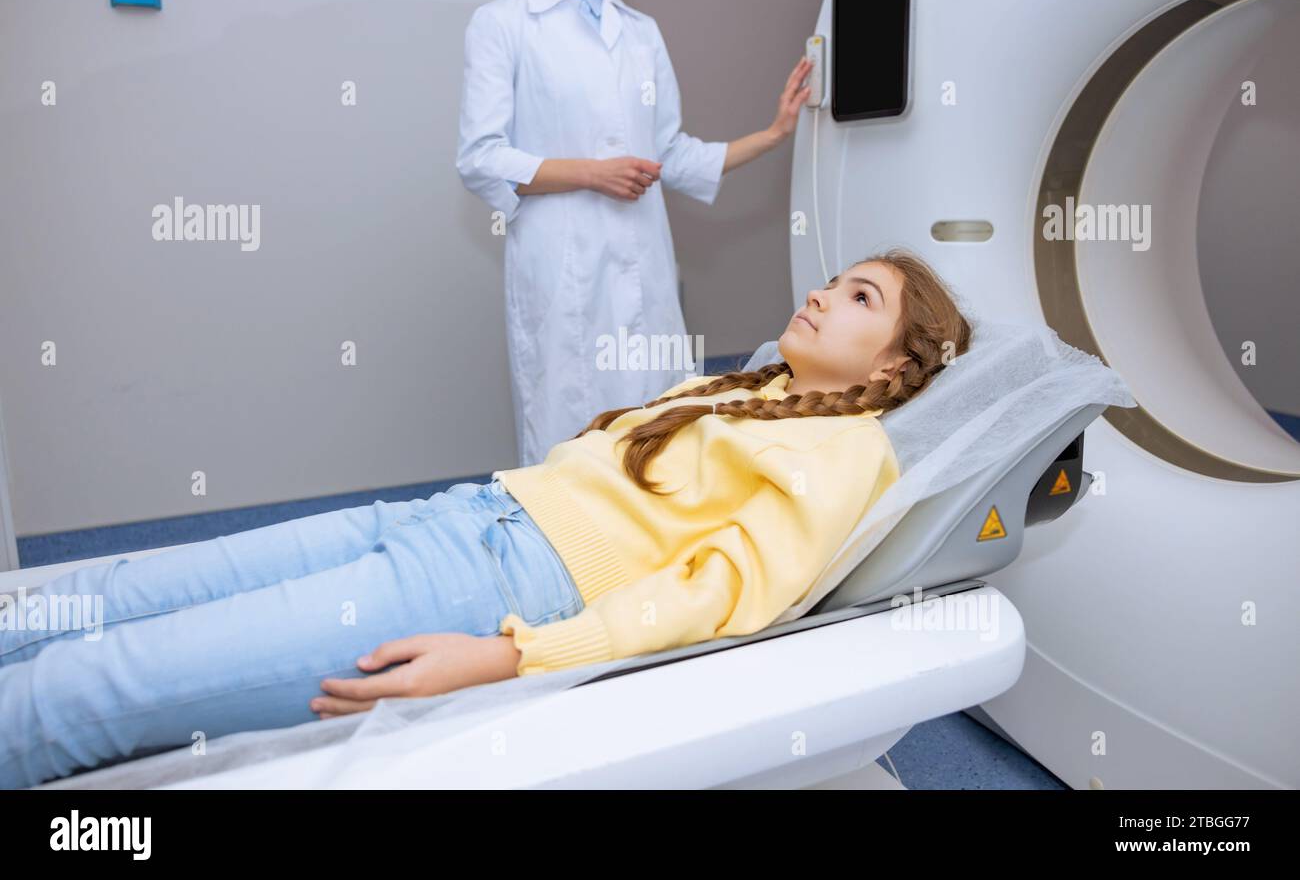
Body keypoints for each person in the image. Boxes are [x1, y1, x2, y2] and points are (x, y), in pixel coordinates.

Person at [0, 250, 971, 788]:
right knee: (104, 593)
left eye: (858, 295)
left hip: (489, 587)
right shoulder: (756, 386)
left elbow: (709, 600)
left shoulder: (850, 453)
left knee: (90, 687)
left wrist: (507, 659)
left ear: (892, 365)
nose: (817, 290)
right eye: (833, 278)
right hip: (458, 515)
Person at [456, 0, 814, 467]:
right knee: (566, 433)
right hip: (561, 269)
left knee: (652, 427)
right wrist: (590, 173)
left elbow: (668, 151)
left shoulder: (641, 31)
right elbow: (480, 156)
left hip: (644, 267)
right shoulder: (503, 23)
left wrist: (773, 132)